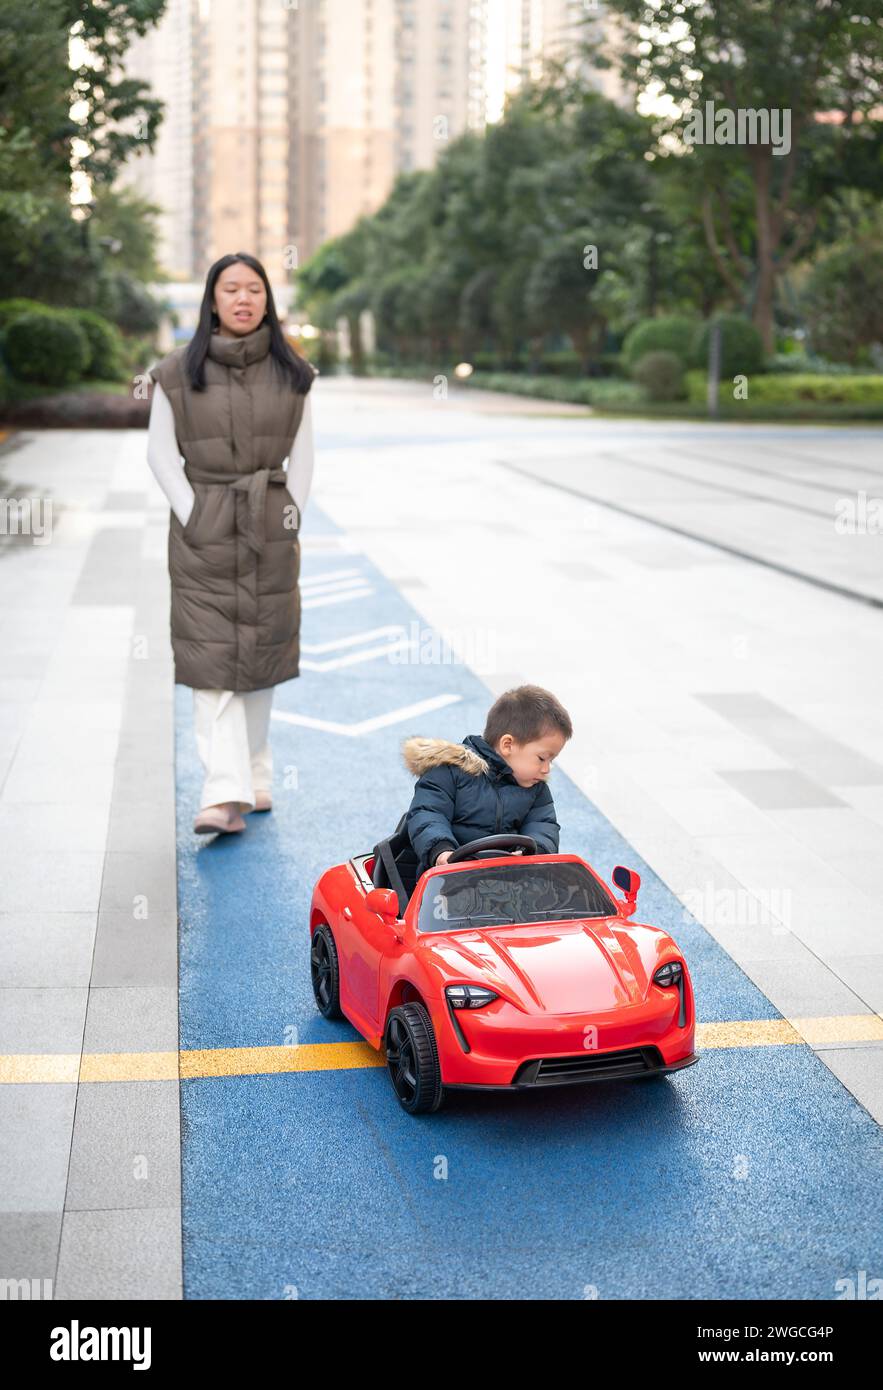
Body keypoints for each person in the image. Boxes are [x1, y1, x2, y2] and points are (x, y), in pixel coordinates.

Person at [146, 252, 316, 835]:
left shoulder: (294, 373)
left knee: (260, 661)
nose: (243, 299)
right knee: (212, 660)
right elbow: (161, 455)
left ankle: (255, 777)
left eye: (253, 289)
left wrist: (286, 518)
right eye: (230, 289)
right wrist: (195, 513)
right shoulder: (176, 371)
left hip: (269, 525)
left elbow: (306, 458)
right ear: (212, 300)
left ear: (267, 299)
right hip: (204, 531)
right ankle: (223, 794)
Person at [402, 685, 573, 874]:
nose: (546, 769)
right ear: (508, 745)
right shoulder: (449, 772)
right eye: (542, 758)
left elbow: (544, 828)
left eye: (551, 761)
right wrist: (442, 852)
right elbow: (427, 814)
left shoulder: (536, 791)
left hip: (509, 882)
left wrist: (531, 853)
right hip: (448, 882)